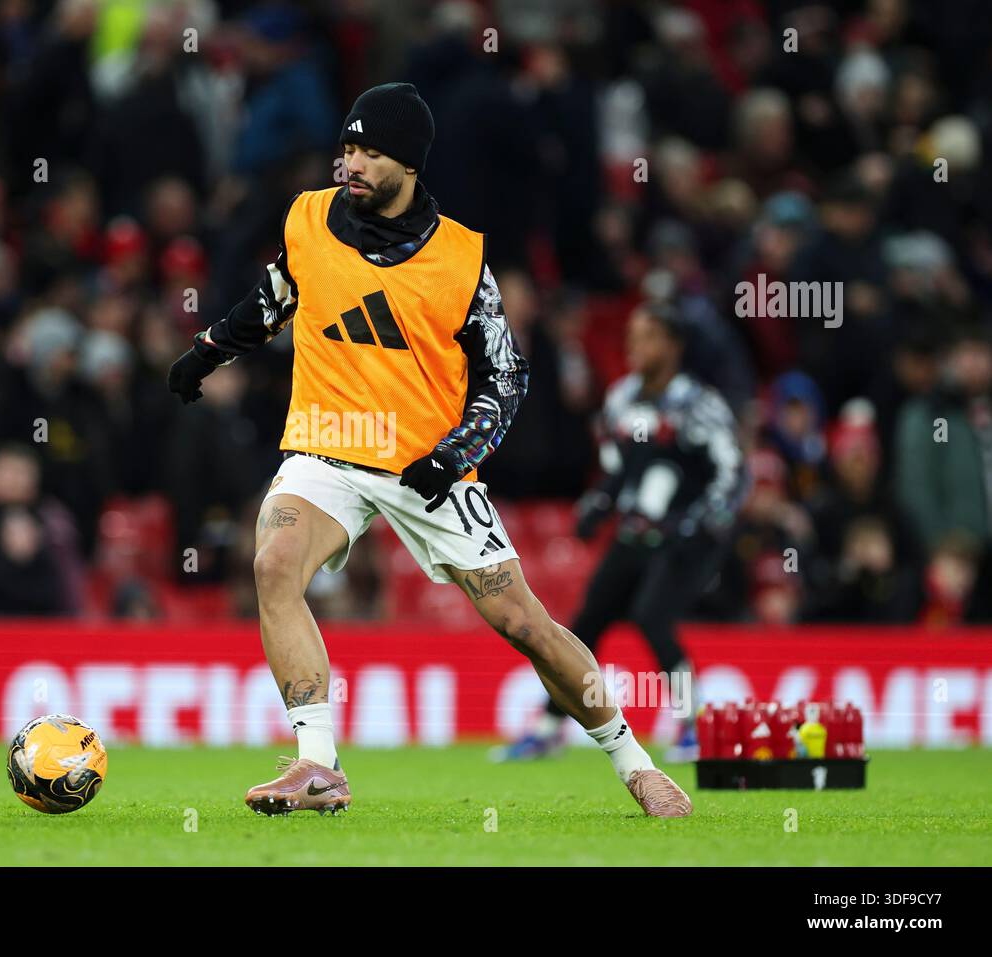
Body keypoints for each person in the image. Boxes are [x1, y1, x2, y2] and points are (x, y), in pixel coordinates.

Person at [168, 83, 693, 818]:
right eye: (347, 147)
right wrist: (207, 350)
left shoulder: (461, 260)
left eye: (369, 152)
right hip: (329, 445)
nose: (349, 162)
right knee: (273, 562)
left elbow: (505, 377)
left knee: (525, 623)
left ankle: (634, 761)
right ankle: (318, 763)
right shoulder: (309, 219)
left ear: (408, 165)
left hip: (426, 462)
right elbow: (275, 298)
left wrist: (453, 454)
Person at [497, 301, 745, 763]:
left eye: (647, 336)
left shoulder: (699, 404)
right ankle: (551, 726)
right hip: (635, 533)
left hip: (685, 538)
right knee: (587, 623)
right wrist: (599, 504)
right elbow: (616, 469)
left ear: (673, 346)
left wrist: (697, 523)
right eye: (632, 335)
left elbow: (731, 472)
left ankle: (697, 726)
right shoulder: (622, 399)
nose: (635, 346)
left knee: (652, 617)